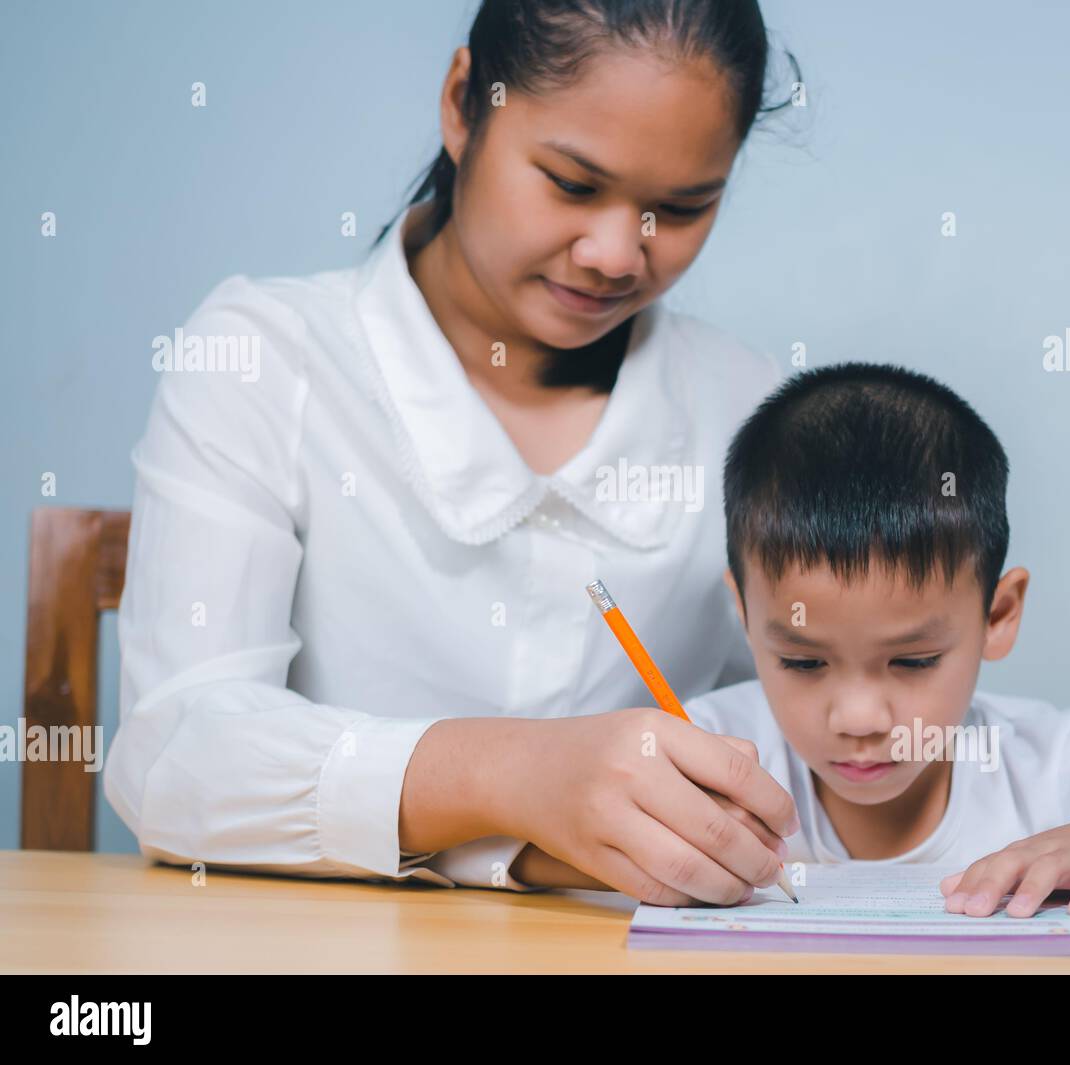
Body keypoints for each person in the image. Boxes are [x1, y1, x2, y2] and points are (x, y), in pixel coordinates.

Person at [105, 0, 806, 907]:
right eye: (570, 182)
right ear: (462, 101)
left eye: (679, 207)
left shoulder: (748, 407)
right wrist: (515, 775)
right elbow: (175, 760)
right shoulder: (264, 358)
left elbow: (832, 737)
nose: (612, 254)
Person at [517, 362, 1070, 914]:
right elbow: (494, 847)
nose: (859, 715)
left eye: (914, 658)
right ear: (746, 617)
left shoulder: (1069, 763)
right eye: (801, 659)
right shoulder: (701, 751)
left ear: (998, 615)